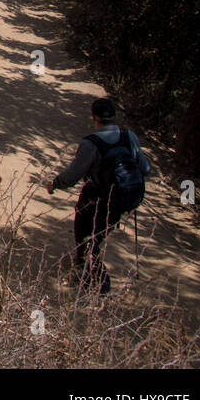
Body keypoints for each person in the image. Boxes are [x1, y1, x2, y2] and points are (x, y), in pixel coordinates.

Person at [46, 98, 150, 295]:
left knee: (85, 233)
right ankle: (86, 266)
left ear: (94, 118)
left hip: (99, 197)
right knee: (99, 233)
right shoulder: (129, 136)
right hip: (125, 197)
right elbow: (145, 168)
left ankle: (96, 279)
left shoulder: (91, 143)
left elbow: (74, 175)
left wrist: (54, 184)